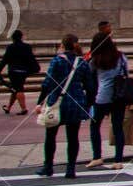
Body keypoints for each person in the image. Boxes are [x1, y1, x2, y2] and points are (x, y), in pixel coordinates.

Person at [36, 34, 93, 178]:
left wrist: (40, 102)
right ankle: (71, 168)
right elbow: (90, 86)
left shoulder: (57, 61)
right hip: (76, 102)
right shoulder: (82, 62)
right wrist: (88, 103)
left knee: (50, 135)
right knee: (73, 137)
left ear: (62, 45)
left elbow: (47, 83)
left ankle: (48, 166)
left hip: (56, 102)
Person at [86, 25, 130, 170]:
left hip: (102, 96)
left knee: (95, 125)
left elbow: (89, 78)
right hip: (119, 96)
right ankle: (118, 160)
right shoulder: (120, 56)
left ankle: (97, 156)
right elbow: (127, 72)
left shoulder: (95, 59)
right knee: (118, 127)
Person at [0, 29, 40, 115]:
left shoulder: (10, 47)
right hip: (24, 71)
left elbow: (5, 59)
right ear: (21, 37)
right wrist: (36, 67)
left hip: (13, 71)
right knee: (15, 89)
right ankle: (8, 107)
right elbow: (31, 58)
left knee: (18, 89)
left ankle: (24, 109)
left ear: (13, 38)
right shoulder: (27, 46)